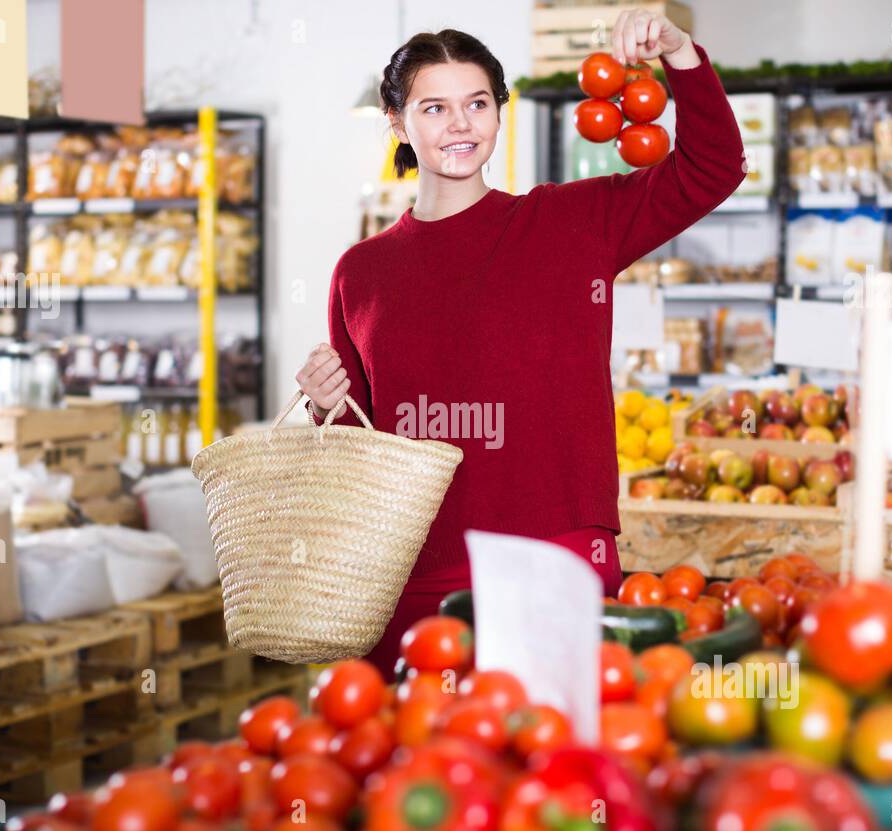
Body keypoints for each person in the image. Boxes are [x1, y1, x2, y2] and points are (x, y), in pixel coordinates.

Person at [296, 8, 745, 675]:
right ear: (398, 123)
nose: (460, 124)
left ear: (498, 114)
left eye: (477, 103)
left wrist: (680, 56)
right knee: (421, 763)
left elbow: (714, 168)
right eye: (435, 107)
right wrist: (322, 401)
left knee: (555, 763)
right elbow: (360, 438)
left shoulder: (571, 222)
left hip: (557, 560)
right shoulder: (359, 272)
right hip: (412, 579)